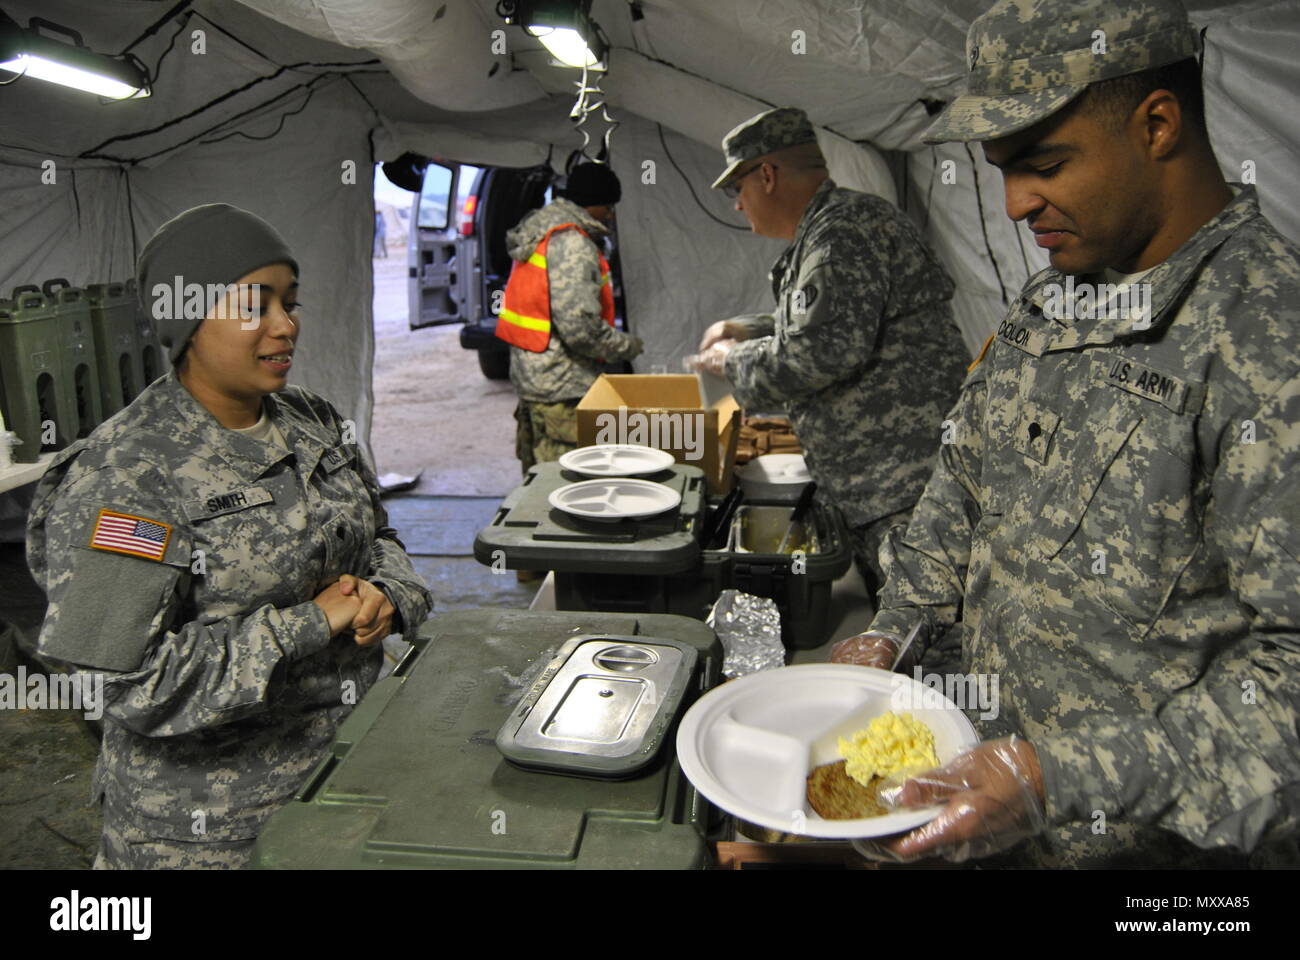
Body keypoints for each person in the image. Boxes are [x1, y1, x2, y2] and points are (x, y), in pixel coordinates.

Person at [832, 0, 1299, 868]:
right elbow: (961, 490)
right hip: (989, 810)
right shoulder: (1053, 301)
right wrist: (888, 631)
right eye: (1000, 170)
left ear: (1157, 125)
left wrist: (1060, 778)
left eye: (1045, 164)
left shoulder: (1270, 342)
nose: (1014, 205)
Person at [26, 203, 434, 869]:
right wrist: (309, 624)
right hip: (209, 834)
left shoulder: (315, 421)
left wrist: (389, 592)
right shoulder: (127, 473)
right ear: (184, 319)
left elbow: (380, 533)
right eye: (255, 304)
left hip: (348, 778)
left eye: (290, 303)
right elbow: (125, 682)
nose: (285, 325)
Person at [693, 107, 968, 608]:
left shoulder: (840, 234)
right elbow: (828, 318)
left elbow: (818, 352)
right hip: (888, 481)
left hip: (905, 483)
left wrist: (732, 360)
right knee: (903, 623)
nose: (737, 206)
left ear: (767, 175)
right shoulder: (835, 227)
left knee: (927, 633)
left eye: (738, 190)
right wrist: (747, 328)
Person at [497, 161, 643, 475]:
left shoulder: (539, 233)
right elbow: (580, 328)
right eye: (609, 206)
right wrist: (626, 346)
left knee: (537, 477)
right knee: (564, 483)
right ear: (596, 204)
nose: (610, 214)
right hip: (562, 384)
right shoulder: (573, 244)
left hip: (534, 375)